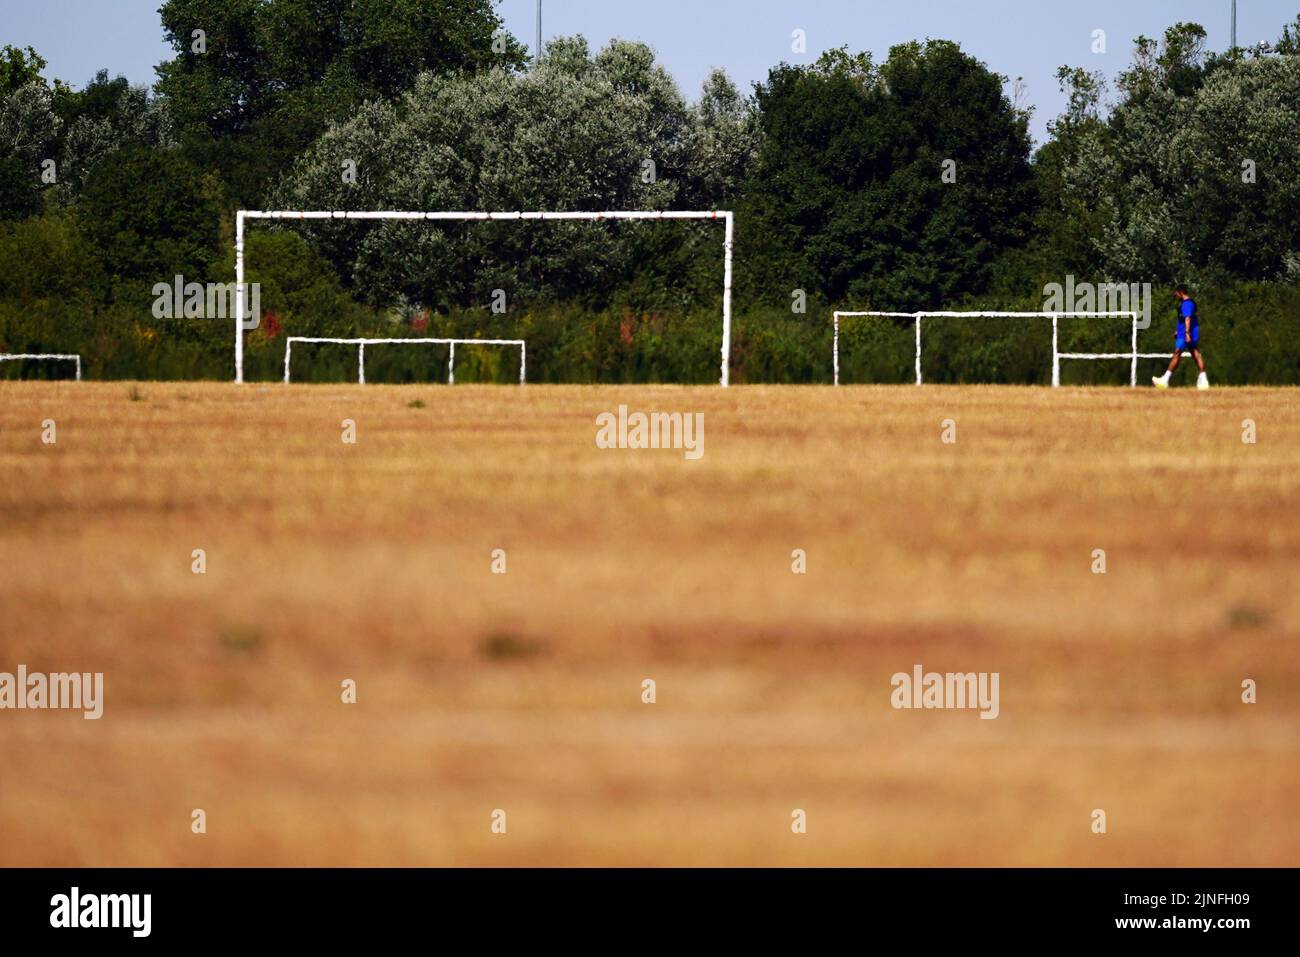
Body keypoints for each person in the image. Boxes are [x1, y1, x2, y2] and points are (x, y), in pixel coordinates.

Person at [1153, 285, 1209, 390]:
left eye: (1176, 293)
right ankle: (1204, 380)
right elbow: (1184, 320)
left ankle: (1165, 380)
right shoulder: (1190, 303)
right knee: (1195, 354)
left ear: (1181, 292)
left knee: (1177, 353)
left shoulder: (1186, 304)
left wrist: (1186, 333)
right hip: (1186, 332)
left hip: (1185, 334)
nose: (1175, 295)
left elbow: (1187, 319)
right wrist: (1178, 331)